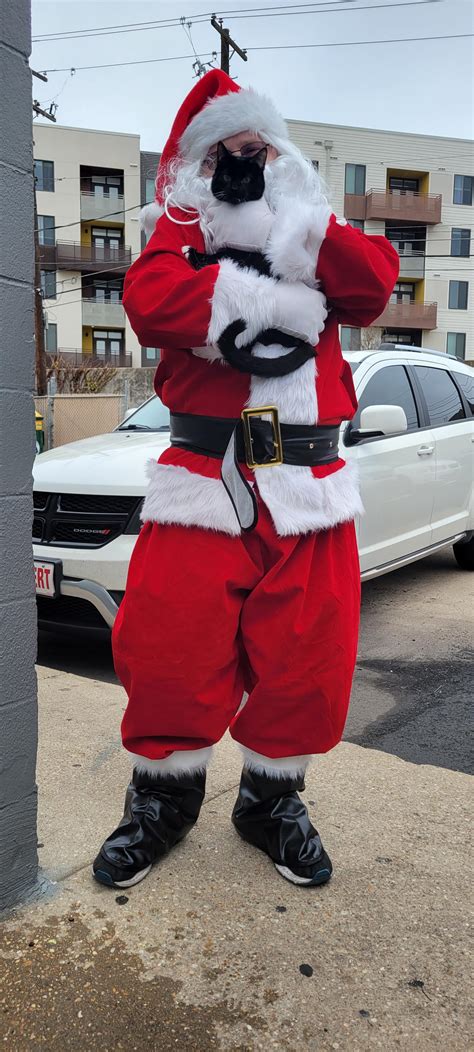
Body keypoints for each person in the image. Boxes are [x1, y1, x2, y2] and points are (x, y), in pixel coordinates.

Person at [93, 69, 399, 890]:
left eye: (257, 147)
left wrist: (300, 224)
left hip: (307, 480)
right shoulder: (182, 226)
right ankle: (163, 802)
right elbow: (152, 303)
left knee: (312, 658)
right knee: (168, 650)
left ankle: (271, 801)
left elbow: (372, 283)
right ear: (198, 162)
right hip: (202, 474)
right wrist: (268, 301)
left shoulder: (313, 226)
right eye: (228, 151)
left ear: (282, 153)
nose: (244, 161)